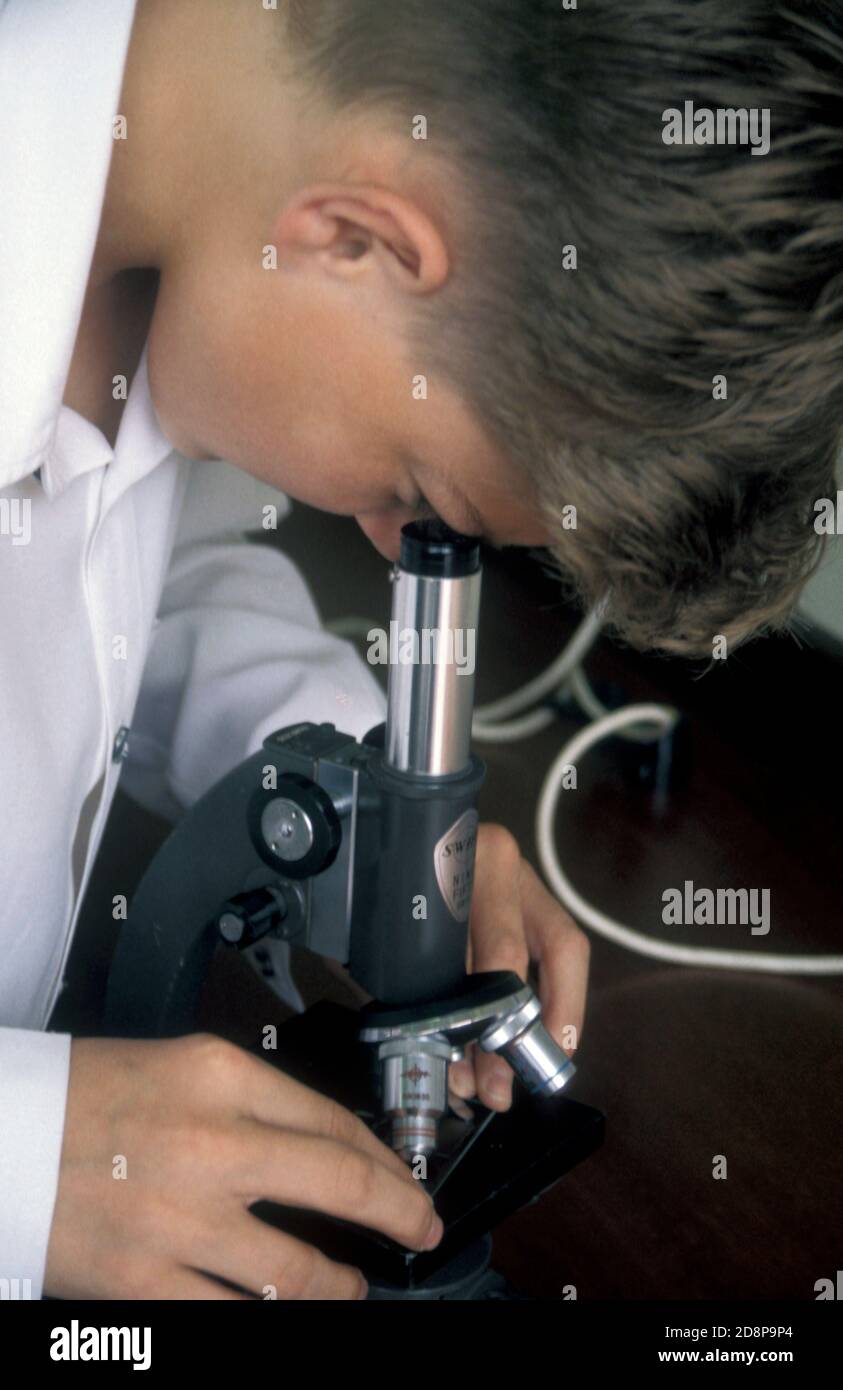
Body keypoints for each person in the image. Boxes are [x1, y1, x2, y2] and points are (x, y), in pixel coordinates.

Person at [1, 0, 839, 1300]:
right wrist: (25, 1164)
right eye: (424, 497)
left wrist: (350, 801)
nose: (398, 548)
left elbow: (105, 596)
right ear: (353, 237)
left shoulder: (156, 247)